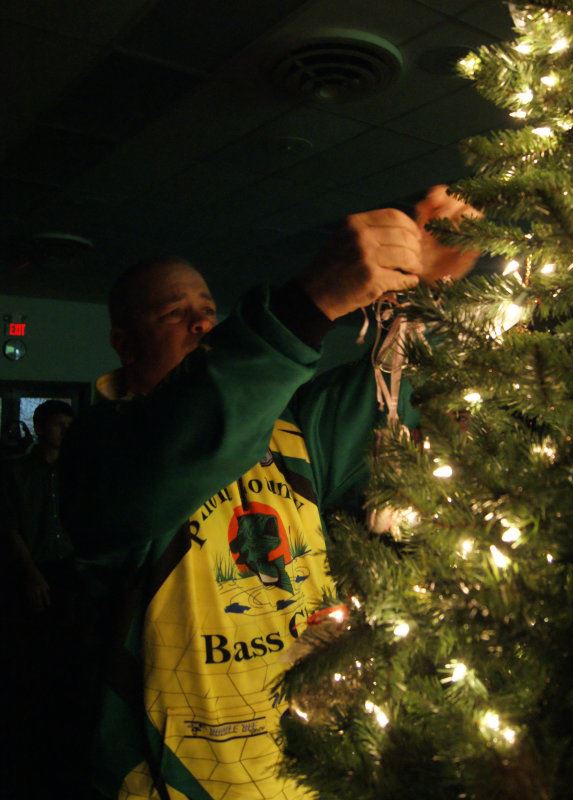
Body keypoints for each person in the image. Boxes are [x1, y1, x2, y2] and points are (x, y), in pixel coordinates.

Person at [59, 193, 478, 800]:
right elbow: (181, 441)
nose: (201, 323)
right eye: (173, 313)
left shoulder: (293, 431)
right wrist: (309, 303)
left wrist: (424, 292)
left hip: (307, 765)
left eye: (208, 310)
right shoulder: (102, 450)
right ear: (125, 344)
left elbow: (388, 390)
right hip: (179, 782)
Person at [2, 399, 74, 614]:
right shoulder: (16, 472)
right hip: (29, 565)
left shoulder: (73, 470)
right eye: (58, 425)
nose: (65, 431)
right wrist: (30, 572)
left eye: (69, 426)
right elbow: (9, 526)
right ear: (40, 428)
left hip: (68, 564)